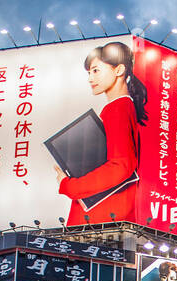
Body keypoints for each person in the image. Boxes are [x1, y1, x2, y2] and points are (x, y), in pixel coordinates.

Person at [57, 41, 146, 227]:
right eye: (89, 72)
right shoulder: (123, 107)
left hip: (102, 215)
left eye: (96, 71)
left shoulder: (118, 108)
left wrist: (70, 185)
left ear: (119, 70)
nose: (90, 78)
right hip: (112, 213)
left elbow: (121, 166)